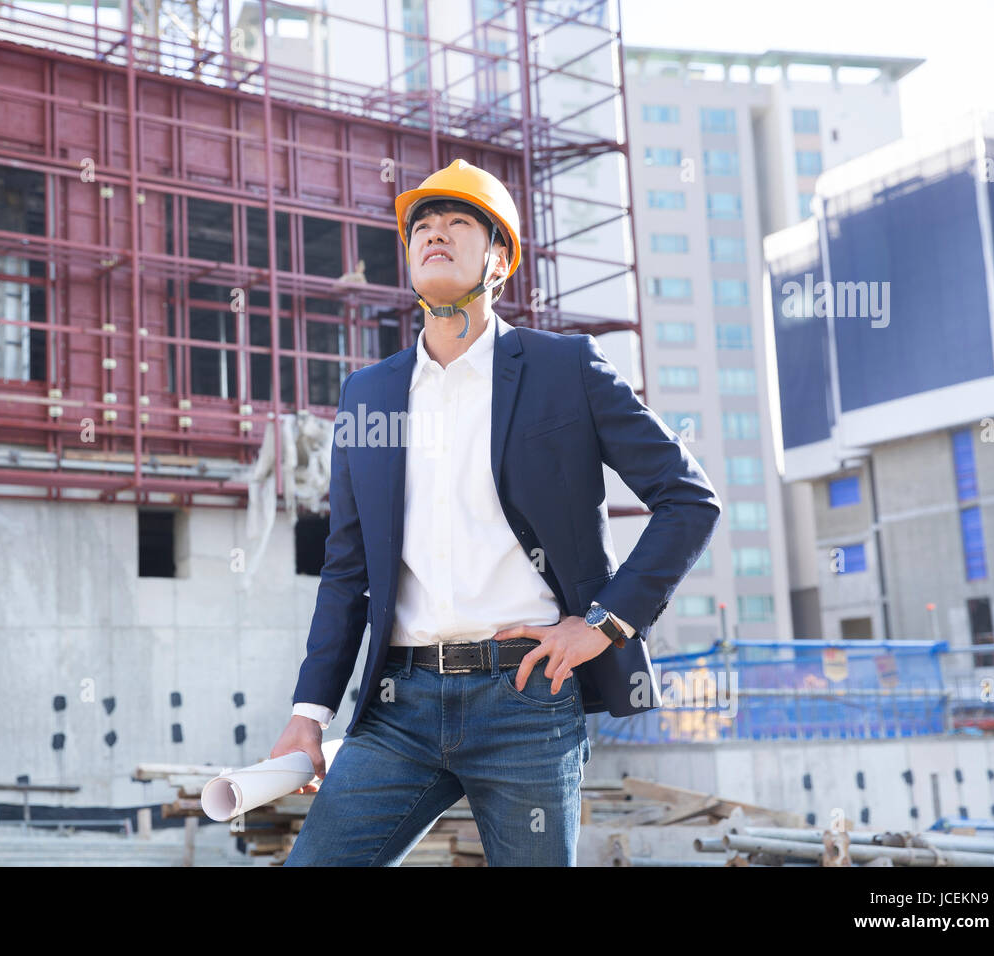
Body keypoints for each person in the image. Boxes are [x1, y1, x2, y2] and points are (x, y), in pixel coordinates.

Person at [269, 158, 721, 865]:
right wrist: (308, 715)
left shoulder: (565, 369)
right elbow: (347, 570)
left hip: (527, 699)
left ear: (500, 257)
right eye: (422, 225)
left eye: (457, 223)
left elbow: (688, 498)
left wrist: (605, 624)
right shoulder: (369, 396)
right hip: (399, 706)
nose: (434, 234)